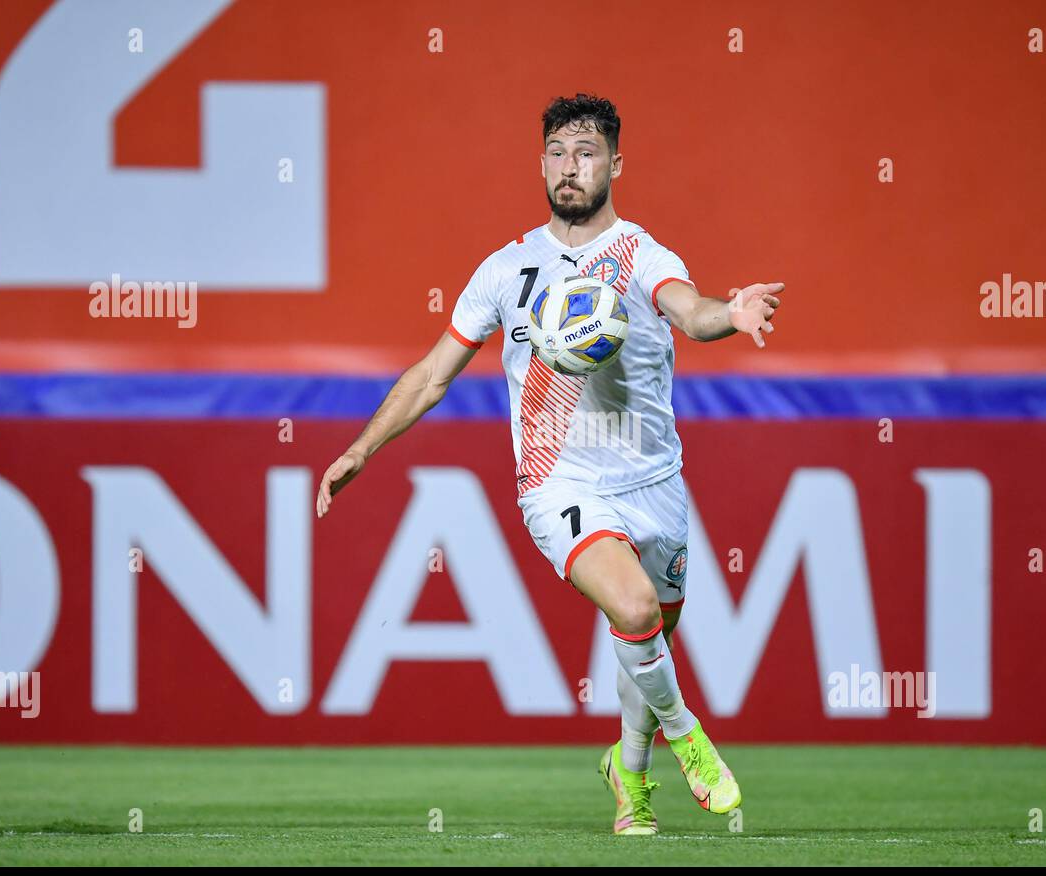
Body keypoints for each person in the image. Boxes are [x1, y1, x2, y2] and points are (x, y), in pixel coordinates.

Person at [317, 92, 784, 835]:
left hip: (655, 482)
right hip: (558, 483)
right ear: (542, 163)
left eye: (587, 153)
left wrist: (734, 312)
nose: (571, 168)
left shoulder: (640, 254)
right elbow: (434, 374)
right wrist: (360, 447)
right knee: (632, 609)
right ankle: (687, 735)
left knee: (649, 631)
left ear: (615, 164)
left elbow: (691, 310)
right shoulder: (505, 271)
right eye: (559, 154)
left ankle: (628, 772)